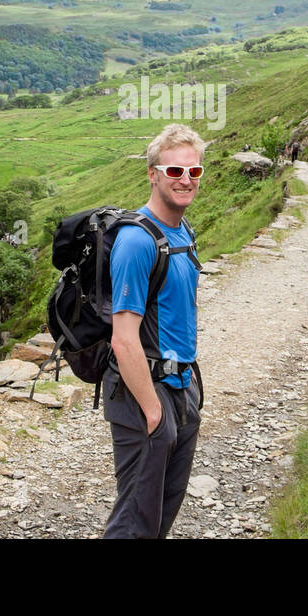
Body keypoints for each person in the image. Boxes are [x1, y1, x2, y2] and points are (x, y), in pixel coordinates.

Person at [102, 123, 205, 538]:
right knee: (134, 521)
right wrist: (152, 411)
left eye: (193, 172)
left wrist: (185, 397)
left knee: (161, 512)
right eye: (174, 171)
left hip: (183, 387)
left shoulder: (183, 231)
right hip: (144, 391)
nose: (185, 180)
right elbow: (123, 339)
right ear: (152, 173)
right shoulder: (136, 241)